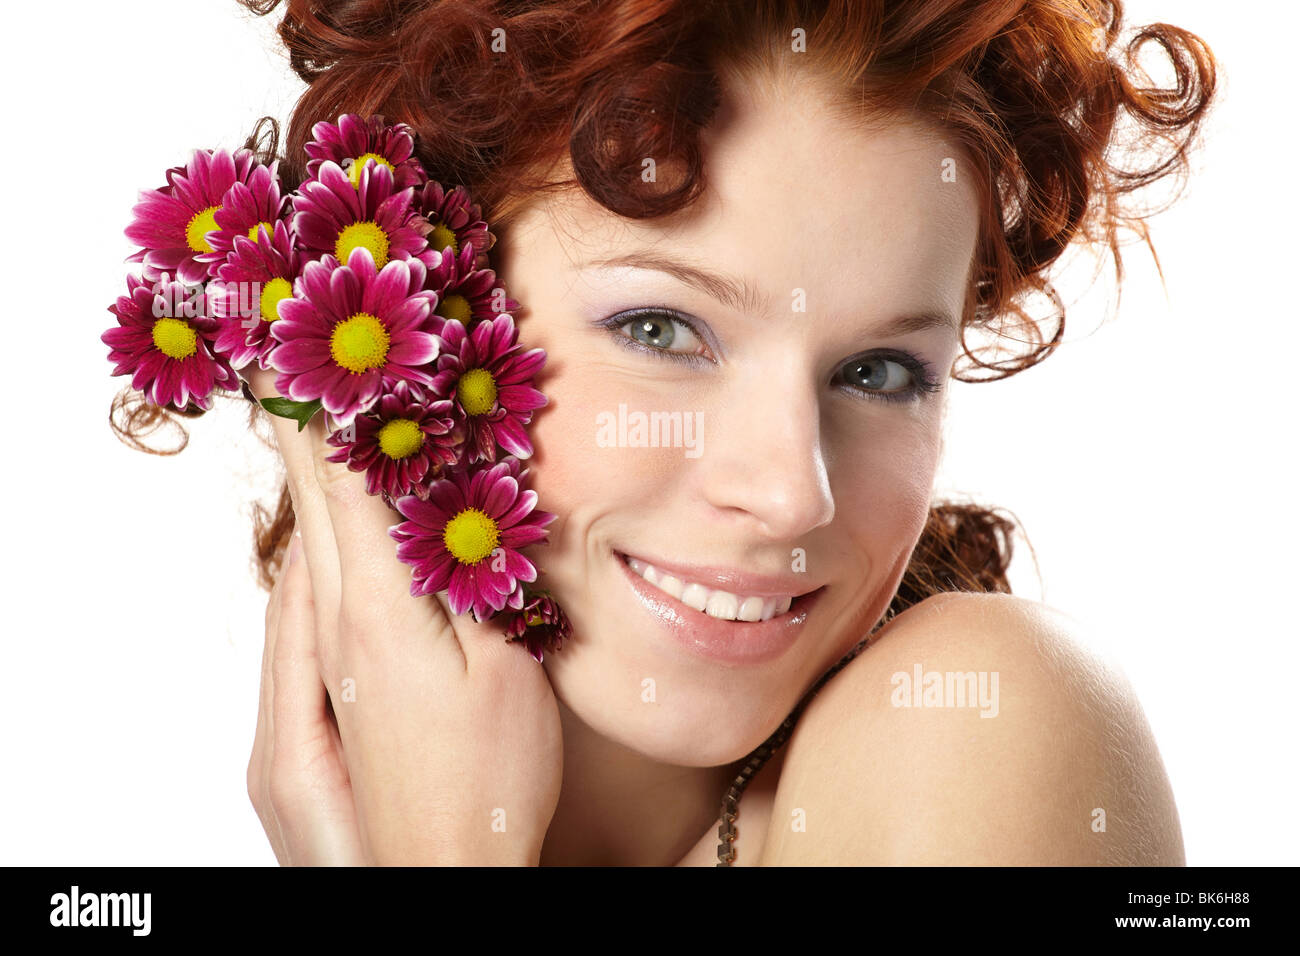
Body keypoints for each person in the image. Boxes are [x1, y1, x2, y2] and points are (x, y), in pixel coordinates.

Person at [111, 0, 1216, 865]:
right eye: (662, 327)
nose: (791, 494)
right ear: (416, 328)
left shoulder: (988, 737)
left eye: (878, 372)